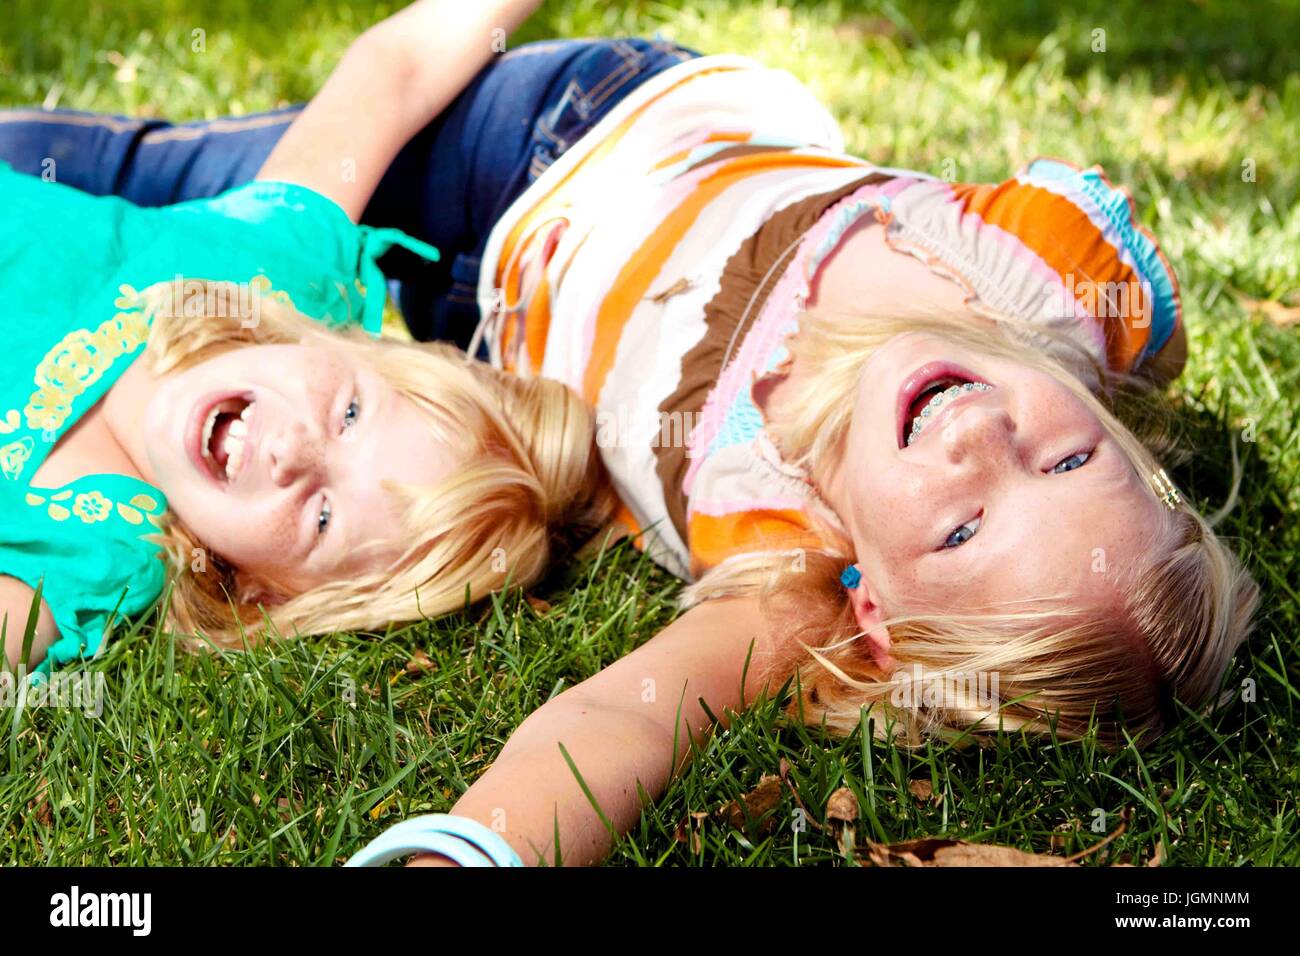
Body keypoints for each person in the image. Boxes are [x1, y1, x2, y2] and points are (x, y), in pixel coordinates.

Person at [3, 7, 1258, 867]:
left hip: (484, 322)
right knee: (184, 201)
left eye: (964, 523)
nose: (979, 436)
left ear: (878, 616)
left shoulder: (790, 562)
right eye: (1069, 456)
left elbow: (618, 724)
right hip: (570, 130)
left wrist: (464, 850)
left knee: (286, 314)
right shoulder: (1037, 285)